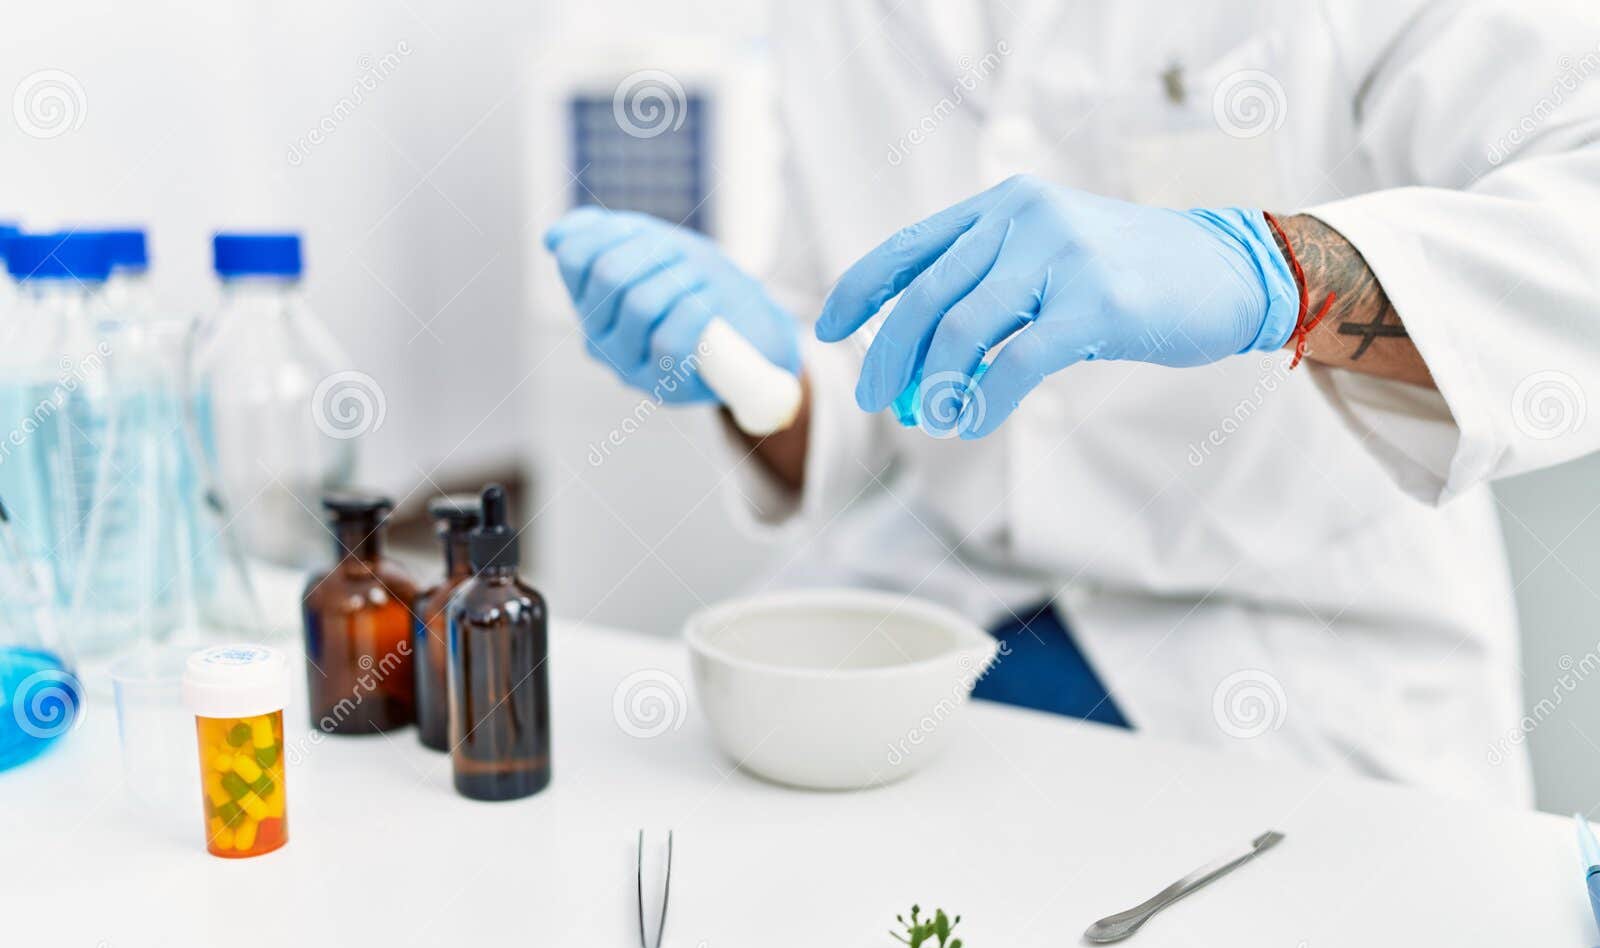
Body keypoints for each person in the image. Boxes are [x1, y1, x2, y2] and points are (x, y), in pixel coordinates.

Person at [544, 1, 1600, 806]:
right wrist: (748, 370)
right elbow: (861, 393)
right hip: (945, 605)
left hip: (1300, 647)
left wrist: (1275, 270)